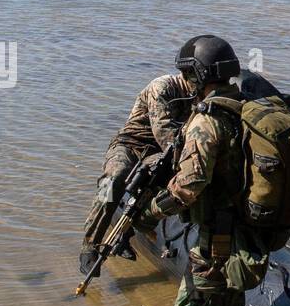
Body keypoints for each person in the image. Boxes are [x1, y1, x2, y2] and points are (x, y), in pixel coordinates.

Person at [135, 35, 286, 306]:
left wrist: (150, 211)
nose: (185, 80)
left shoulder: (206, 120)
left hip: (216, 245)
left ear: (200, 74)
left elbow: (190, 184)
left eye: (188, 72)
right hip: (248, 239)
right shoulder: (248, 109)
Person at [79, 69, 200, 274]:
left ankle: (127, 233)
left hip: (159, 153)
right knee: (112, 180)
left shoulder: (199, 97)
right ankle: (89, 244)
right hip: (130, 145)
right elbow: (163, 132)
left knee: (166, 184)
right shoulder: (162, 87)